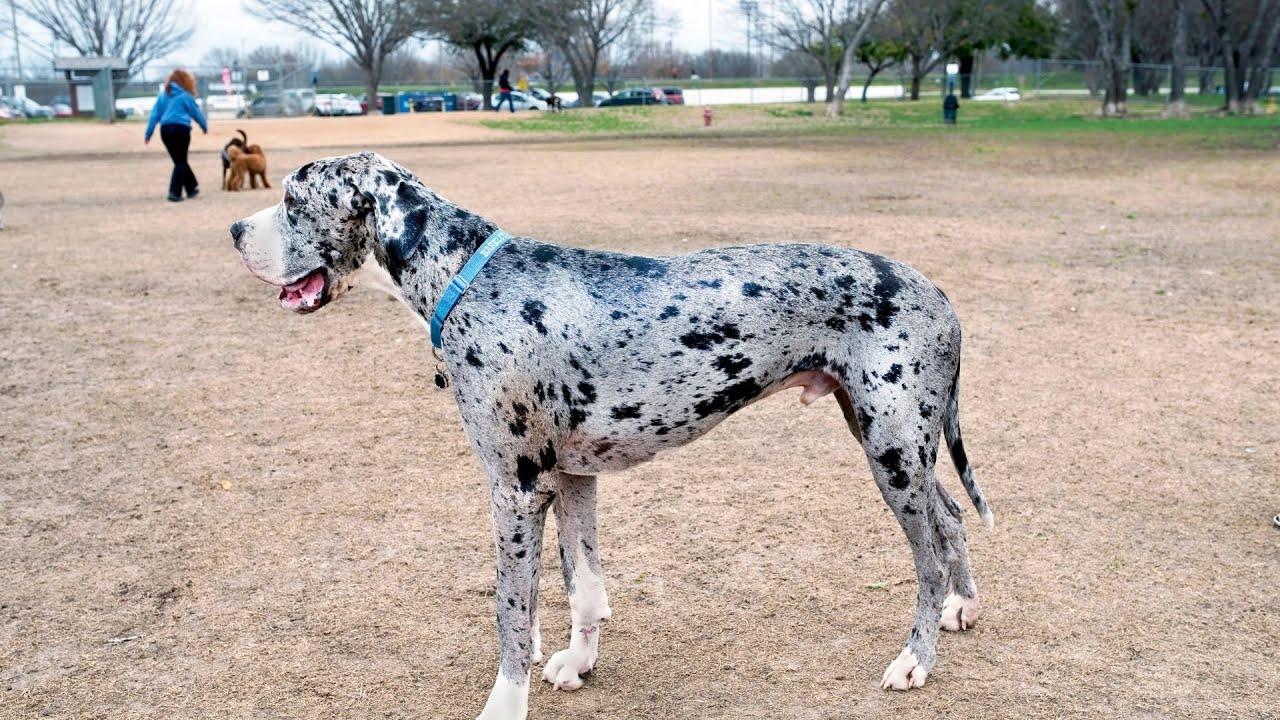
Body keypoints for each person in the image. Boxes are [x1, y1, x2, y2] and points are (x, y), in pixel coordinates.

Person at [144, 69, 208, 202]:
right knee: (180, 161)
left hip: (165, 130)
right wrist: (204, 125)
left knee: (179, 160)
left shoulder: (163, 96)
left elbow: (154, 115)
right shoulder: (185, 96)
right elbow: (196, 113)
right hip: (181, 129)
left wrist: (148, 134)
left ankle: (191, 187)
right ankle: (174, 192)